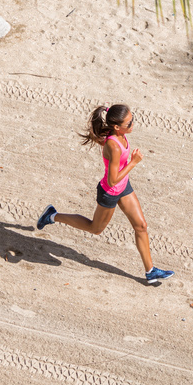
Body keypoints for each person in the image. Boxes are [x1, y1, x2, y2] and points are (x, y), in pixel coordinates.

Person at [37, 104, 175, 285]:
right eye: (129, 123)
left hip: (124, 188)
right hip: (109, 192)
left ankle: (150, 272)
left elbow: (106, 145)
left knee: (141, 226)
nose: (132, 124)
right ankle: (52, 215)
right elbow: (112, 180)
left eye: (132, 119)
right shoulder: (114, 145)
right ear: (117, 127)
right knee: (95, 229)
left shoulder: (119, 135)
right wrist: (133, 162)